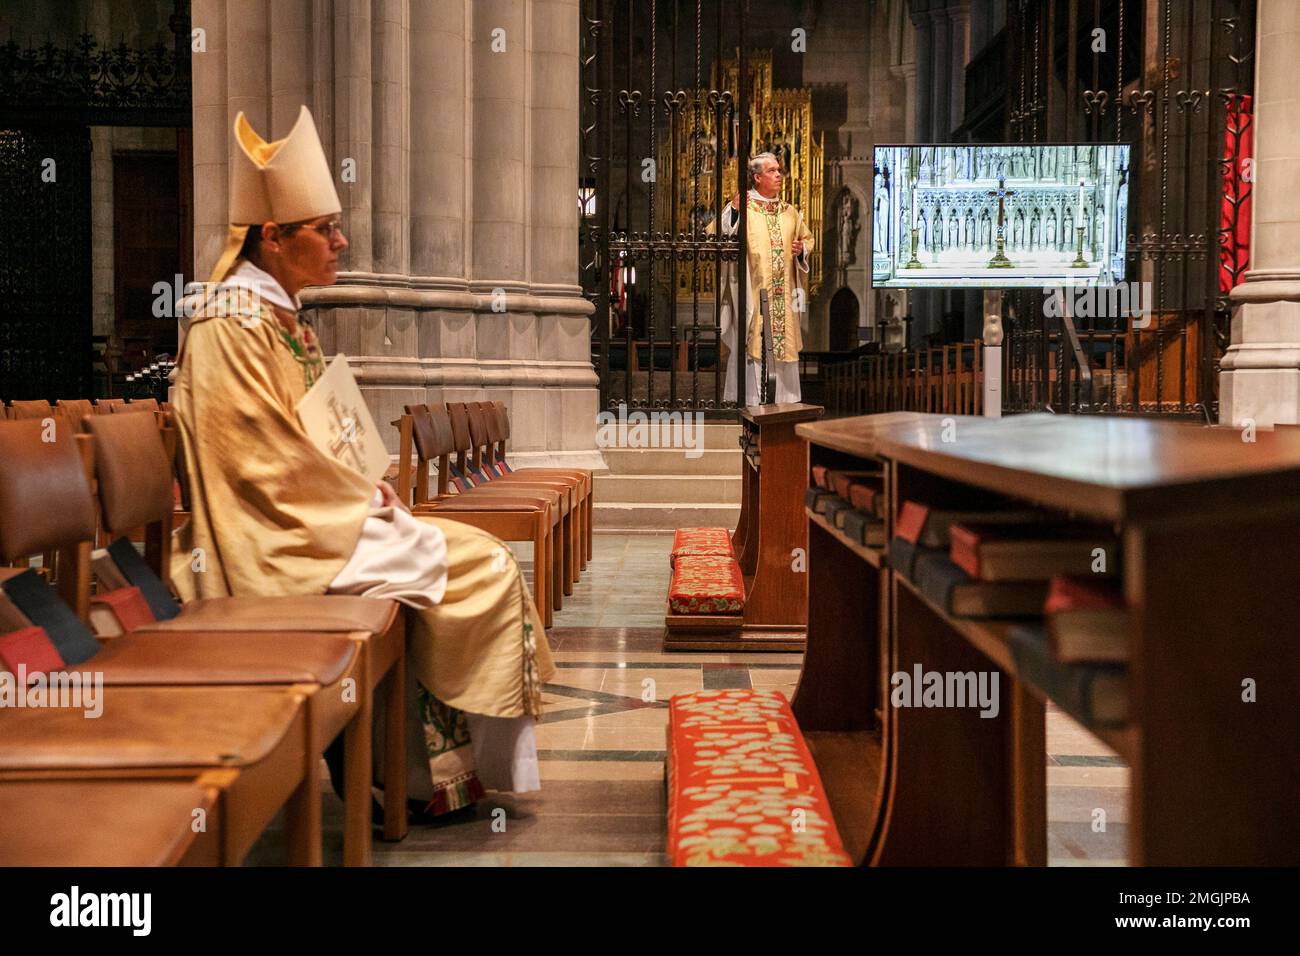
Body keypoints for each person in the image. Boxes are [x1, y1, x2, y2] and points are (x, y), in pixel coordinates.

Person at [170, 105, 553, 819]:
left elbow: (335, 434)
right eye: (326, 229)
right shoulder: (228, 326)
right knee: (485, 568)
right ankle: (402, 780)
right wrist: (364, 502)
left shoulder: (286, 322)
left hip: (317, 521)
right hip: (272, 542)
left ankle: (410, 779)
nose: (342, 241)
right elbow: (256, 463)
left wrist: (375, 487)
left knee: (471, 562)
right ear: (275, 238)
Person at [712, 152, 814, 404]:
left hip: (785, 297)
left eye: (779, 170)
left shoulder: (790, 212)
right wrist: (733, 210)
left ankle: (786, 403)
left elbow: (808, 239)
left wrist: (802, 250)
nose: (779, 175)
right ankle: (753, 403)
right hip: (753, 294)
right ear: (757, 177)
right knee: (754, 343)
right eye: (772, 171)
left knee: (785, 346)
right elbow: (719, 235)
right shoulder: (743, 206)